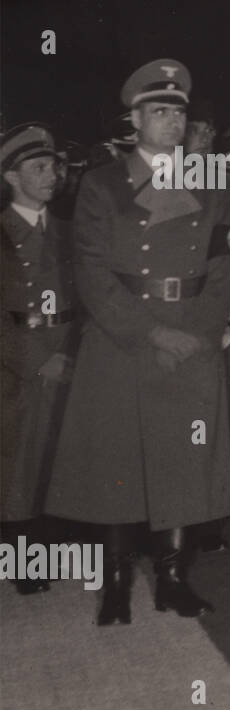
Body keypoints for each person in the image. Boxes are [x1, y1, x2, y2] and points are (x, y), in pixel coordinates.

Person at [45, 59, 230, 625]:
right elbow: (92, 275)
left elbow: (225, 265)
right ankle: (113, 584)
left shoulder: (209, 182)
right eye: (159, 111)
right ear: (134, 120)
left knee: (182, 460)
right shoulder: (102, 184)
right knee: (117, 463)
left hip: (192, 335)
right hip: (123, 337)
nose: (172, 122)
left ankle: (173, 579)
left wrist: (199, 331)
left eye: (178, 111)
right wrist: (152, 331)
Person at [1, 123, 78, 595]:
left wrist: (73, 354)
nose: (52, 175)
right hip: (19, 366)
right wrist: (35, 360)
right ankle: (25, 566)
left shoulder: (68, 230)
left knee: (59, 457)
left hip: (68, 354)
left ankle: (57, 550)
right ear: (11, 176)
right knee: (18, 465)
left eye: (53, 165)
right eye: (39, 167)